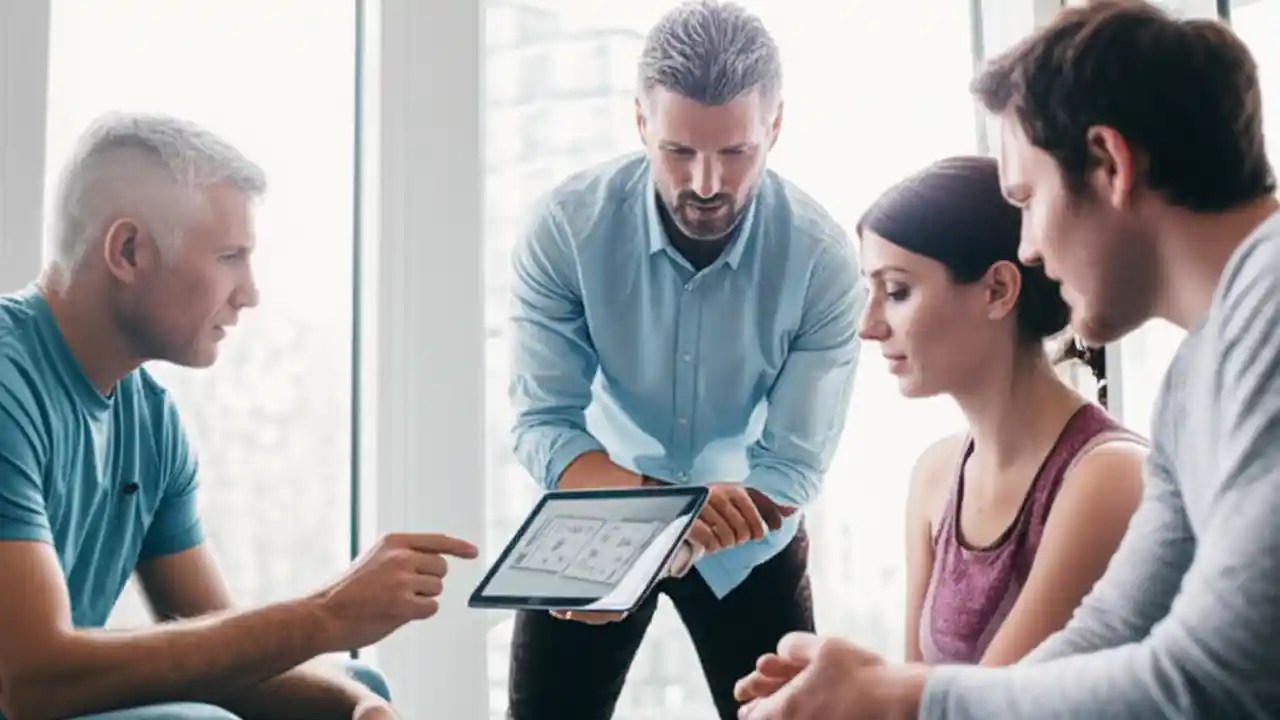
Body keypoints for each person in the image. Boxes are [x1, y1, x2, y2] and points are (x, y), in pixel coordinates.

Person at [733, 2, 1280, 717]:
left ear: (1109, 164)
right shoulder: (1194, 379)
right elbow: (1104, 632)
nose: (1026, 248)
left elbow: (1214, 679)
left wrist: (905, 698)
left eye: (1027, 199)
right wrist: (880, 694)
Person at [0, 113, 479, 720]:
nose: (249, 292)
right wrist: (327, 612)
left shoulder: (149, 419)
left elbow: (225, 660)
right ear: (128, 250)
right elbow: (31, 682)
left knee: (355, 688)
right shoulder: (8, 382)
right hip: (32, 693)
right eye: (230, 257)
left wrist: (361, 709)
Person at [506, 1, 863, 717]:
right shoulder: (564, 231)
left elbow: (792, 464)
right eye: (678, 151)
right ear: (641, 122)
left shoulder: (824, 263)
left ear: (775, 127)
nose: (706, 183)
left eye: (735, 153)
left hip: (747, 530)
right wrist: (650, 528)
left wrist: (687, 534)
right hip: (599, 507)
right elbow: (544, 422)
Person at [856, 155, 1146, 667]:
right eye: (869, 292)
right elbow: (912, 700)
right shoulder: (935, 477)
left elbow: (987, 705)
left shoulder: (1109, 477)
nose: (869, 325)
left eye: (896, 291)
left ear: (998, 290)